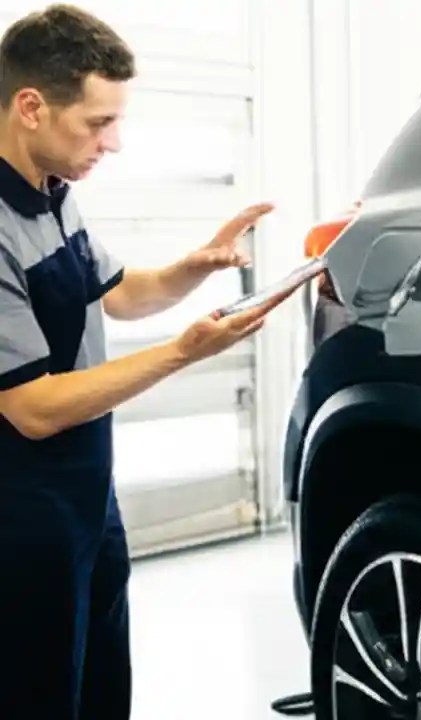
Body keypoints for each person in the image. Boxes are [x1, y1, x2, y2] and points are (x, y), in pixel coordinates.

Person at [0, 5, 304, 719]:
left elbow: (120, 294)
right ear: (32, 106)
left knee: (102, 678)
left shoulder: (54, 194)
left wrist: (194, 266)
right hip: (22, 512)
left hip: (87, 493)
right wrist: (182, 354)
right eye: (99, 123)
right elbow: (31, 408)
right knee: (39, 690)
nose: (115, 143)